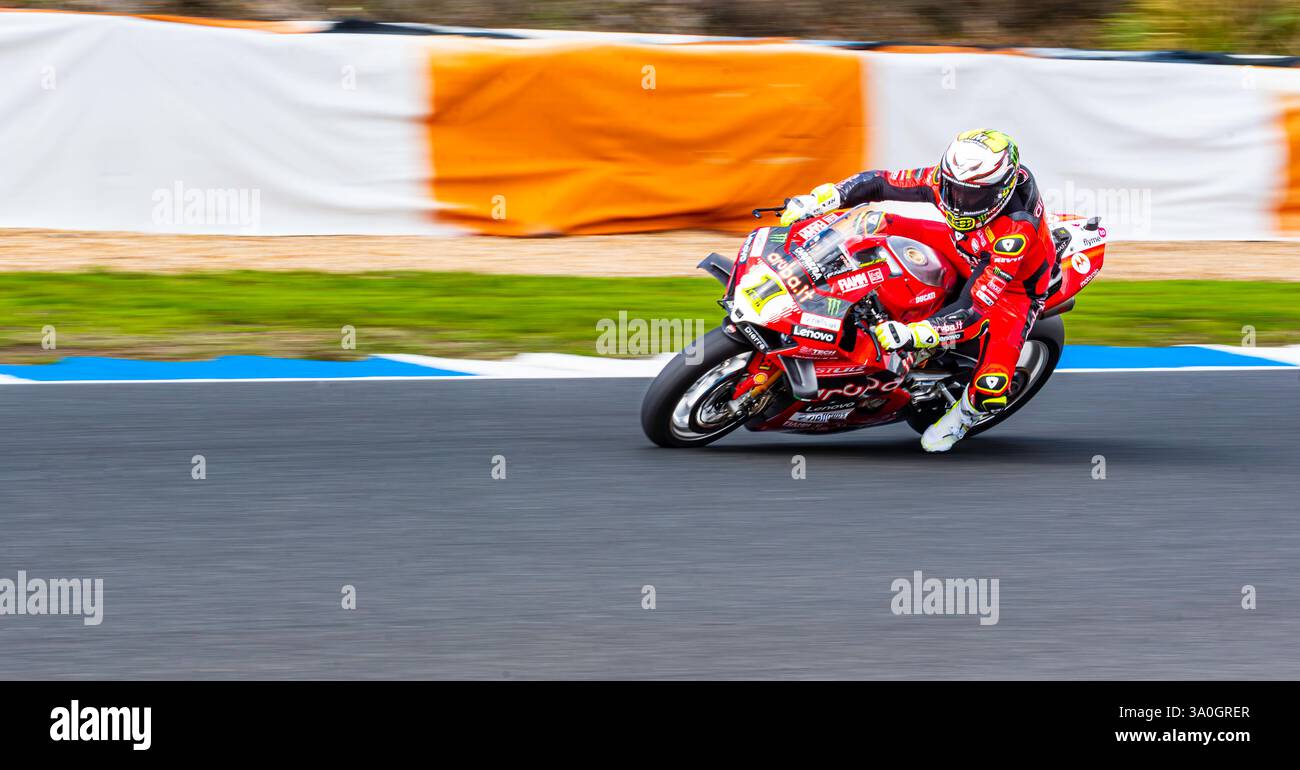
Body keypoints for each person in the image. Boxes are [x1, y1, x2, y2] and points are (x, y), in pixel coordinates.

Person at [779, 129, 1054, 452]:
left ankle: (960, 419)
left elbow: (975, 307)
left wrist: (918, 333)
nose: (958, 201)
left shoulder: (1014, 232)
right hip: (961, 245)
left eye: (972, 197)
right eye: (953, 189)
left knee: (991, 388)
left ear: (1001, 191)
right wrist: (825, 198)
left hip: (1013, 288)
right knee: (872, 222)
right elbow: (881, 182)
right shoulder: (948, 181)